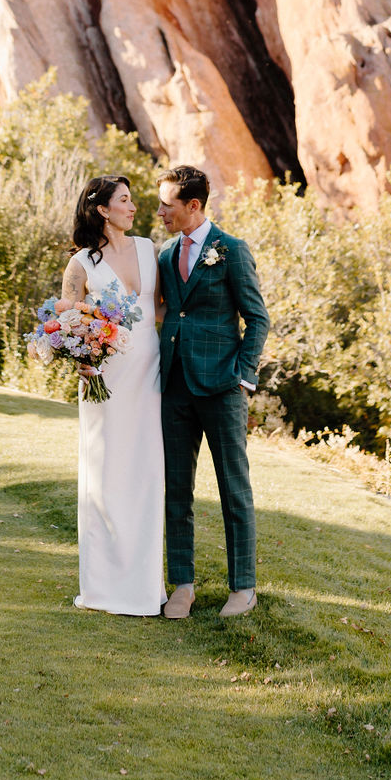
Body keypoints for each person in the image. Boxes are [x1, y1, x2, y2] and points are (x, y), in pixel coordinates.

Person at [157, 164, 270, 618]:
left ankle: (243, 588)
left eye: (168, 204)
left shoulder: (233, 251)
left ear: (194, 205)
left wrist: (243, 376)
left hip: (222, 387)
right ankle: (182, 585)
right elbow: (164, 313)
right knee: (176, 489)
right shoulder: (165, 254)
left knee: (233, 489)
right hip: (174, 388)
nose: (160, 211)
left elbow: (257, 318)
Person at [61, 174, 166, 616]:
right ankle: (103, 588)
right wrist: (82, 355)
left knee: (145, 472)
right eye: (124, 200)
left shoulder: (148, 249)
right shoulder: (80, 264)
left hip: (149, 370)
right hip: (104, 377)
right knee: (106, 473)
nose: (133, 206)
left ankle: (145, 588)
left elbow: (161, 307)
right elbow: (65, 321)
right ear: (102, 209)